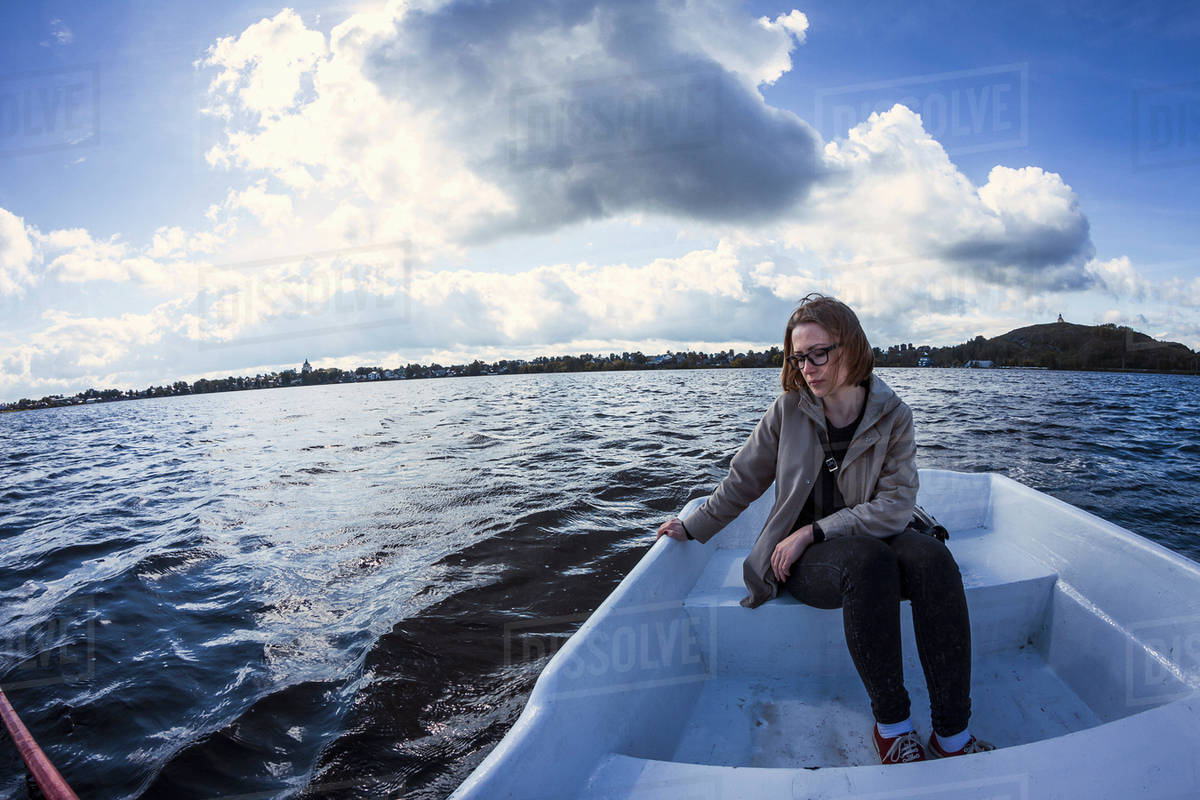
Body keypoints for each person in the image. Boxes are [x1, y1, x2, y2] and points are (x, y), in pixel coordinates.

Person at [656, 293, 994, 765]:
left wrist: (816, 530)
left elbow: (897, 504)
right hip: (803, 559)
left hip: (859, 533)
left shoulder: (894, 415)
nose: (808, 367)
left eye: (820, 353)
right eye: (799, 356)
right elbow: (742, 480)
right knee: (867, 560)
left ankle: (952, 735)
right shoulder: (787, 411)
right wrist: (693, 527)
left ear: (852, 347)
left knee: (935, 559)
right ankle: (892, 728)